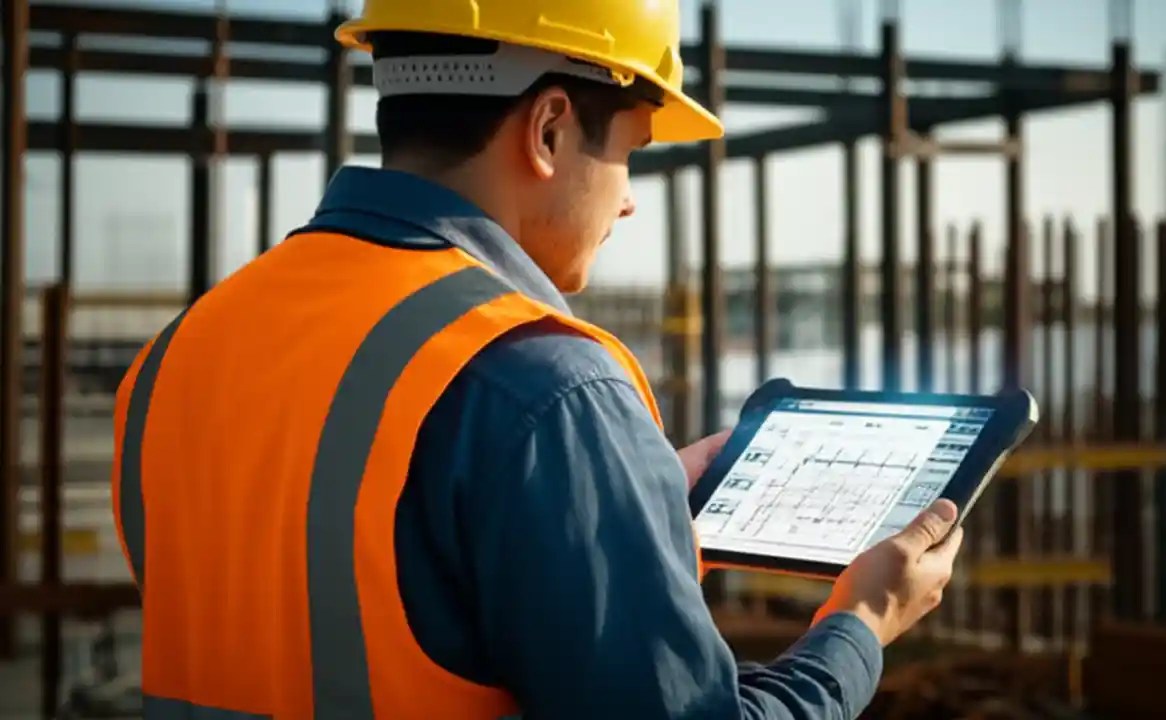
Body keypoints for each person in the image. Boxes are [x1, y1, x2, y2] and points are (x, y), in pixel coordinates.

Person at [110, 1, 965, 718]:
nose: (628, 199)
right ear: (551, 127)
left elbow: (347, 576)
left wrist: (629, 512)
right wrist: (860, 623)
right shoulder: (547, 387)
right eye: (628, 152)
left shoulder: (179, 352)